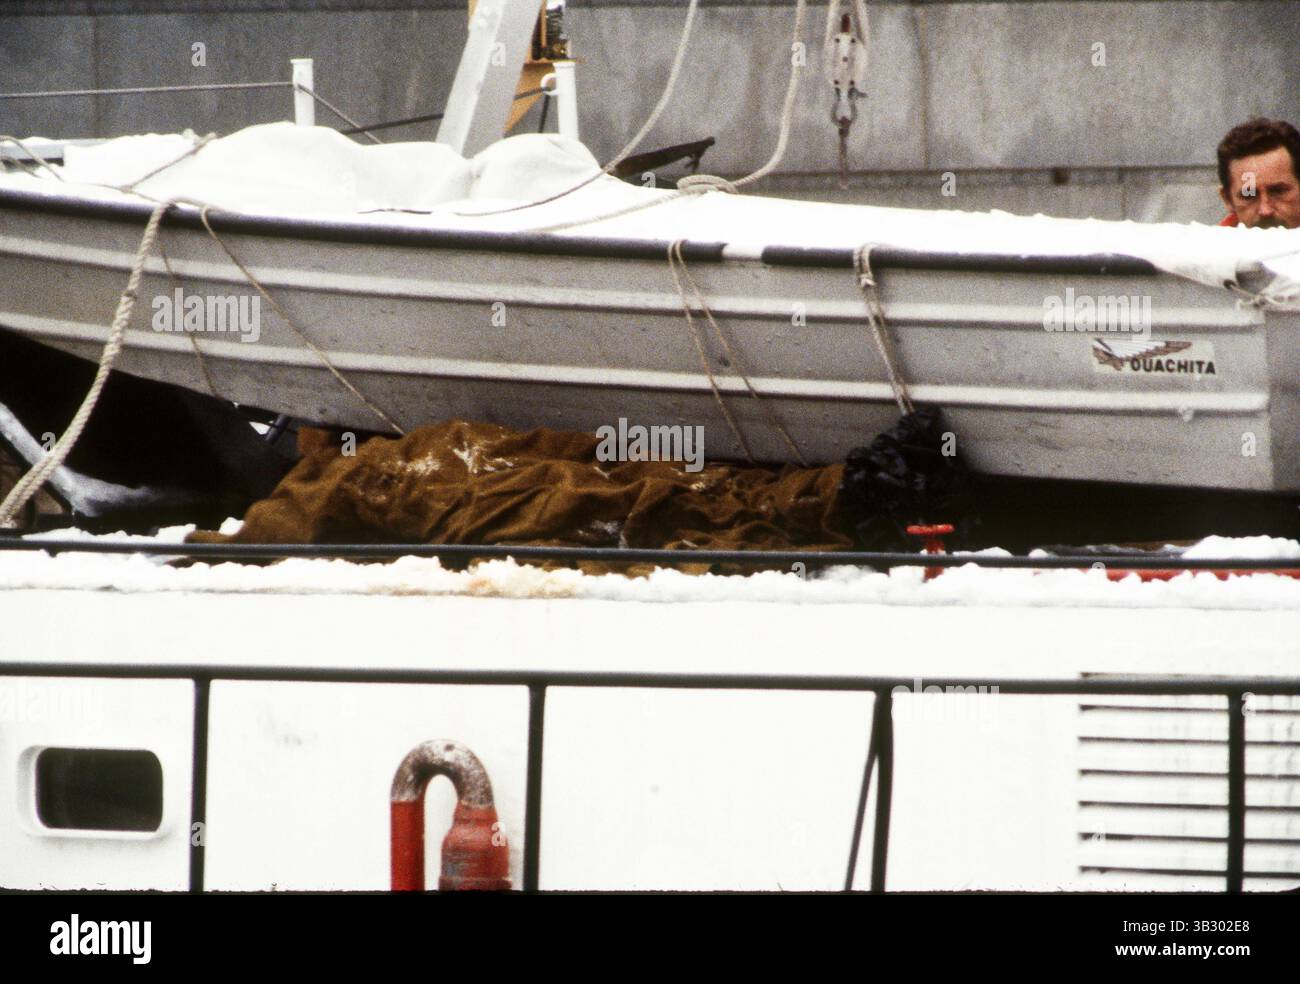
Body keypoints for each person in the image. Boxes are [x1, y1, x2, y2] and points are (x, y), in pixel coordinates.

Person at [1216, 118, 1300, 229]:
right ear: (1228, 199)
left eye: (1278, 191)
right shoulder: (1209, 246)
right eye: (1248, 196)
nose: (1265, 210)